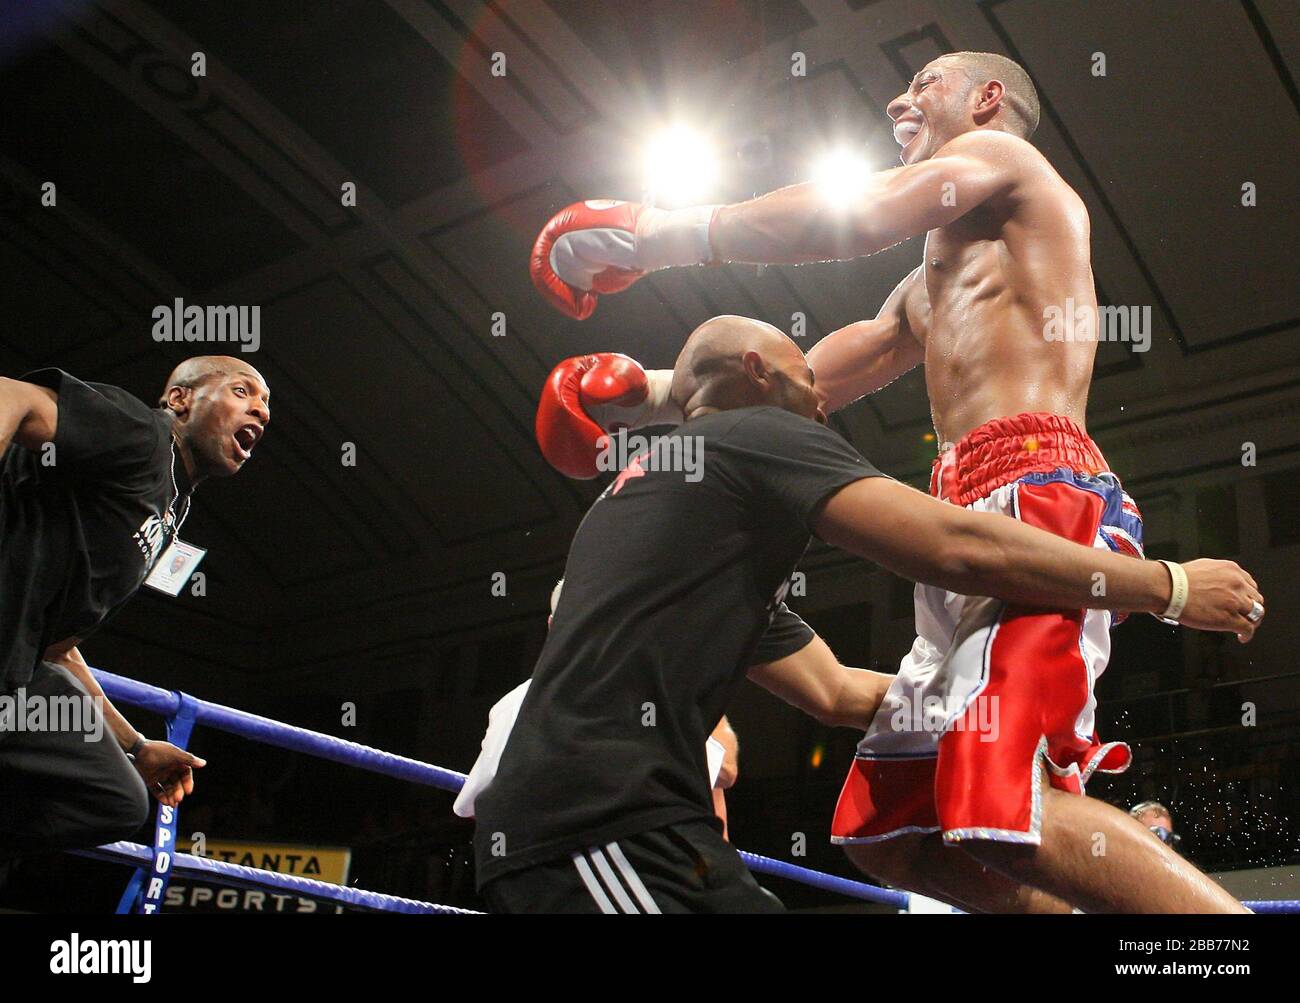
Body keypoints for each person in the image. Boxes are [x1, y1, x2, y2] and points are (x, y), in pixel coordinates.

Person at [529, 50, 1262, 914]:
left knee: (1000, 806)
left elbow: (862, 212)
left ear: (988, 100)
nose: (897, 98)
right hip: (960, 516)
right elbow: (798, 380)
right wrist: (648, 396)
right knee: (892, 831)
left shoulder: (1011, 164)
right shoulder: (932, 280)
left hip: (1038, 488)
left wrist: (656, 234)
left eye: (926, 82)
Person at [479, 315, 1258, 913]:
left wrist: (974, 699)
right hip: (599, 822)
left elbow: (836, 692)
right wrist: (1167, 586)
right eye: (800, 362)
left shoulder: (667, 506)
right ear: (757, 370)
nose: (819, 386)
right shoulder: (756, 434)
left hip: (605, 822)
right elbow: (954, 547)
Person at [0, 357, 270, 853]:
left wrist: (137, 746)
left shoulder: (171, 509)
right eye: (242, 391)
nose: (261, 411)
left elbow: (58, 649)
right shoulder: (143, 434)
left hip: (15, 673)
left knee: (117, 800)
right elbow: (11, 395)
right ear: (180, 400)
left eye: (265, 405)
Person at [453, 580, 791, 848]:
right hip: (606, 857)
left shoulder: (510, 702)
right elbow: (725, 771)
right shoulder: (639, 686)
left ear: (554, 625)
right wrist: (696, 681)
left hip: (521, 866)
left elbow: (472, 804)